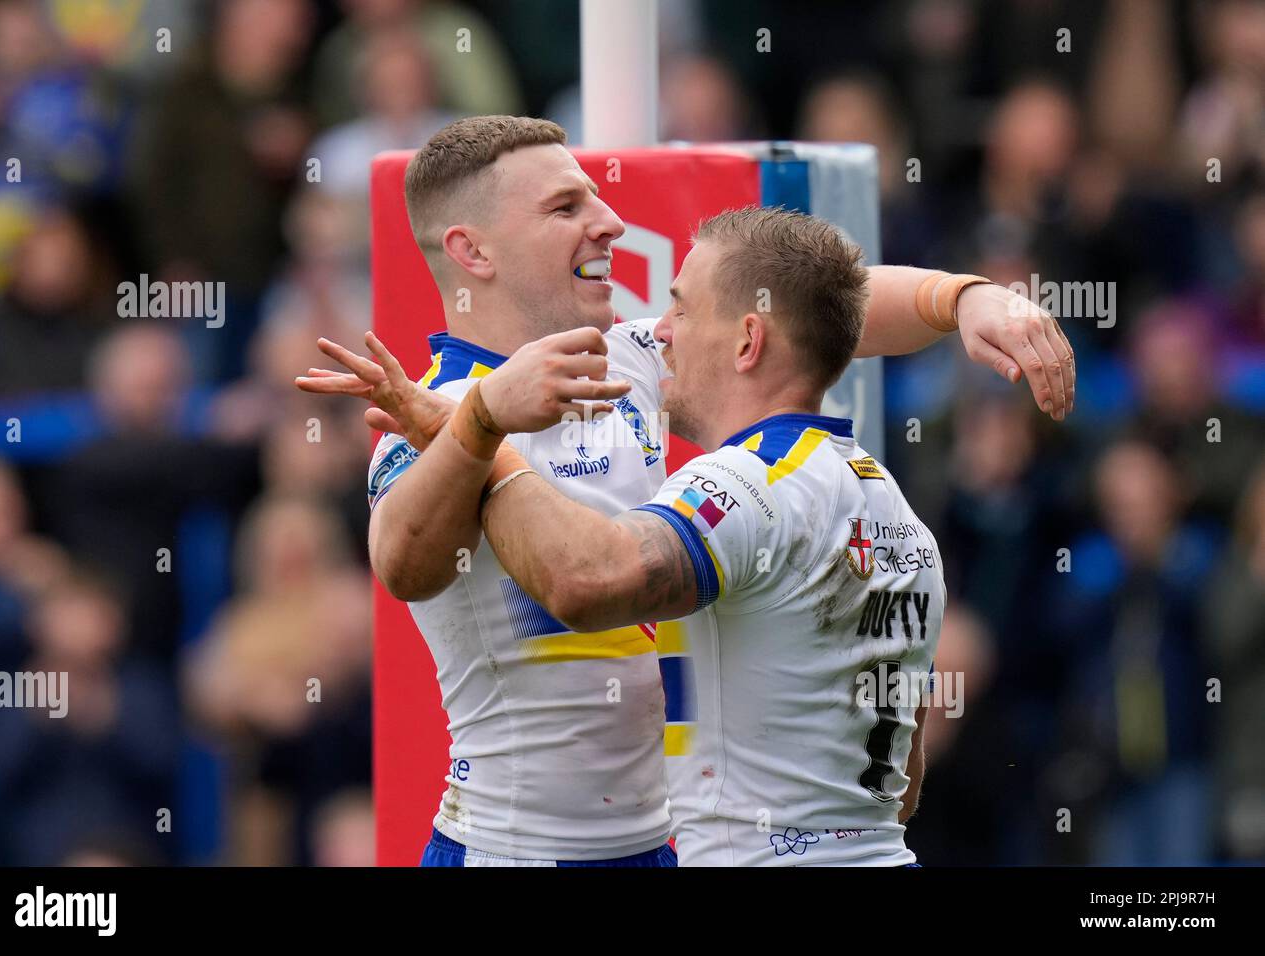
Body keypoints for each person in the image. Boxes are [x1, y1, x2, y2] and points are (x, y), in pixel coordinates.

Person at [296, 115, 1075, 866]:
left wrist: (965, 298)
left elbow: (809, 308)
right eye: (566, 207)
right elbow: (403, 563)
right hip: (522, 849)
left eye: (595, 198)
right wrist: (483, 420)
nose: (608, 222)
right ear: (473, 251)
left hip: (672, 845)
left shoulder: (634, 359)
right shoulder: (427, 415)